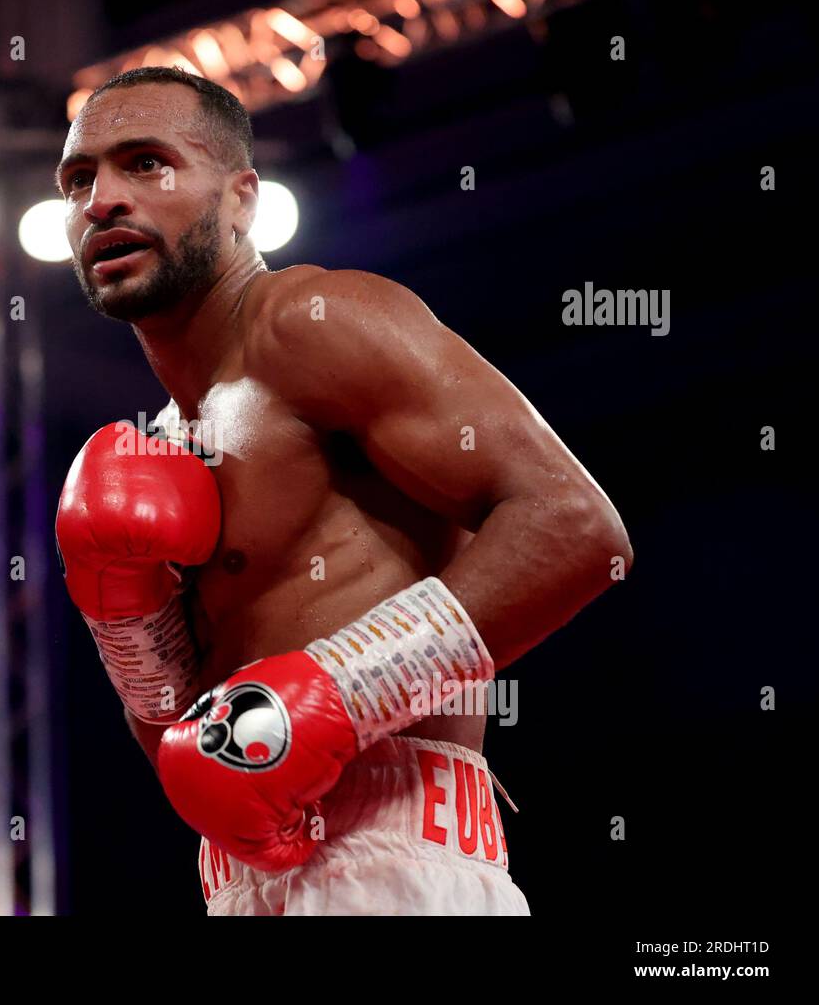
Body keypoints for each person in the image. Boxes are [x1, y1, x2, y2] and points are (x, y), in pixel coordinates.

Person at [54, 66, 632, 915]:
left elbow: (579, 526)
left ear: (241, 198)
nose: (102, 199)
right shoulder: (161, 448)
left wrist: (331, 695)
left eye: (146, 163)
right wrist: (127, 618)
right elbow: (196, 758)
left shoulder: (315, 323)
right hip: (245, 881)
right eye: (79, 178)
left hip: (399, 862)